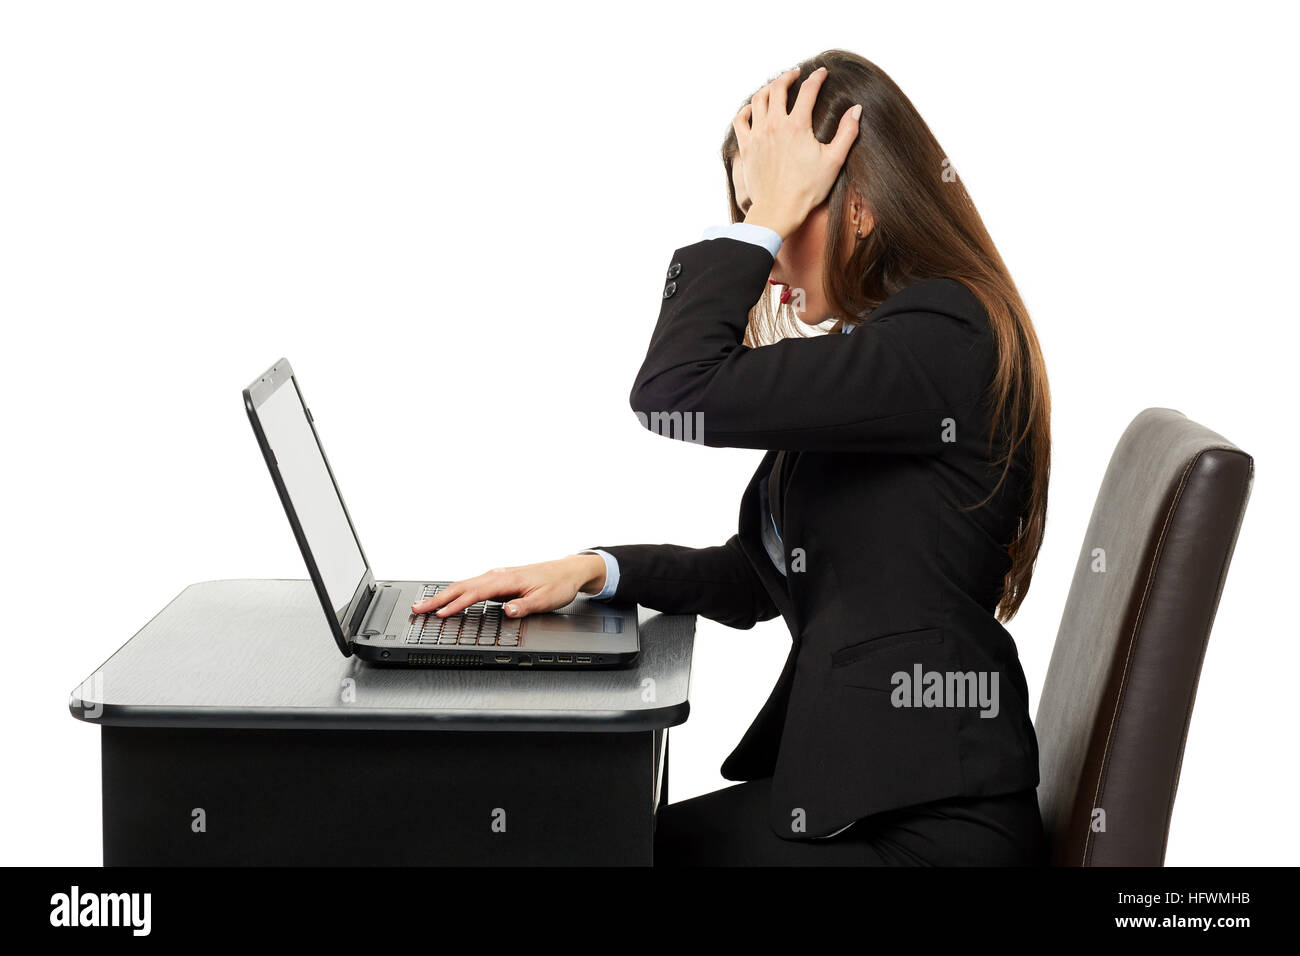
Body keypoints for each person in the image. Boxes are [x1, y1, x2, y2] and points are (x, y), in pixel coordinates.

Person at [413, 49, 1051, 866]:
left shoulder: (943, 339)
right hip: (875, 798)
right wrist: (597, 569)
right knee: (600, 836)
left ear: (856, 207)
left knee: (592, 845)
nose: (774, 257)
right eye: (759, 221)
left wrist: (759, 218)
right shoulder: (898, 355)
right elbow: (762, 576)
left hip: (929, 834)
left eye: (783, 216)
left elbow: (674, 389)